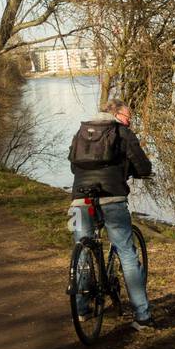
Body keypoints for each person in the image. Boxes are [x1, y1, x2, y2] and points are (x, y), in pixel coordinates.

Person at [68, 98, 155, 330]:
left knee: (83, 249)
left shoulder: (82, 131)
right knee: (127, 254)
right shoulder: (123, 133)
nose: (130, 121)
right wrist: (138, 172)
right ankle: (143, 316)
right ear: (116, 115)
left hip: (79, 200)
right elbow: (143, 165)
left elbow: (72, 164)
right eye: (128, 117)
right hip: (112, 199)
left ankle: (81, 309)